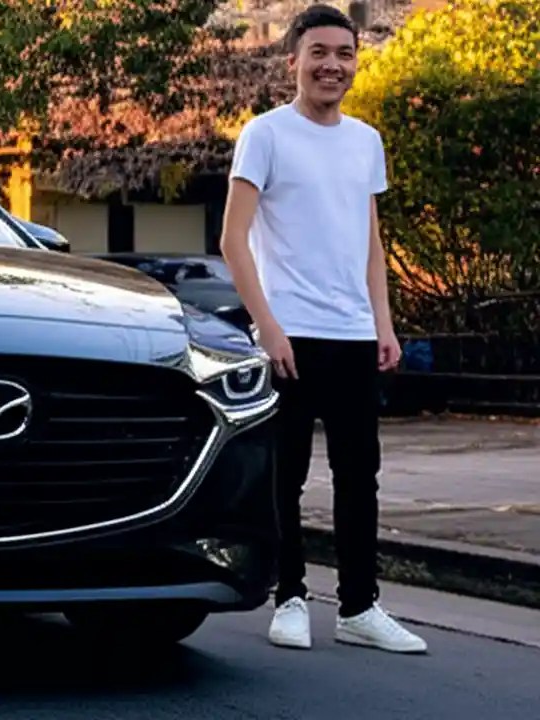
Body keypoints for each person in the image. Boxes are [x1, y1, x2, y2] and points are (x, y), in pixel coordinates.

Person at [220, 4, 427, 653]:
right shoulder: (266, 135)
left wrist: (383, 322)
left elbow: (369, 241)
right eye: (319, 52)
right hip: (290, 333)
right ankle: (289, 598)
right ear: (294, 61)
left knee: (358, 473)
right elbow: (232, 240)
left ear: (355, 61)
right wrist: (268, 326)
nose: (332, 64)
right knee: (287, 472)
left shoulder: (365, 141)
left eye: (344, 53)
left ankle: (360, 608)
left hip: (354, 333)